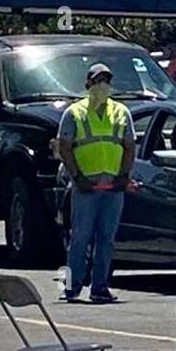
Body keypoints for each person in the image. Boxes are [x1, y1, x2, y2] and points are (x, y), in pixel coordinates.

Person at [57, 63, 135, 302]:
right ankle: (71, 286)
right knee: (80, 237)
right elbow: (65, 148)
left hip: (112, 187)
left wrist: (123, 176)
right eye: (97, 80)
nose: (102, 85)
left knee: (106, 239)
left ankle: (100, 286)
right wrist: (78, 178)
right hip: (86, 187)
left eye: (106, 80)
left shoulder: (121, 112)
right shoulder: (75, 113)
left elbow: (129, 146)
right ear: (87, 84)